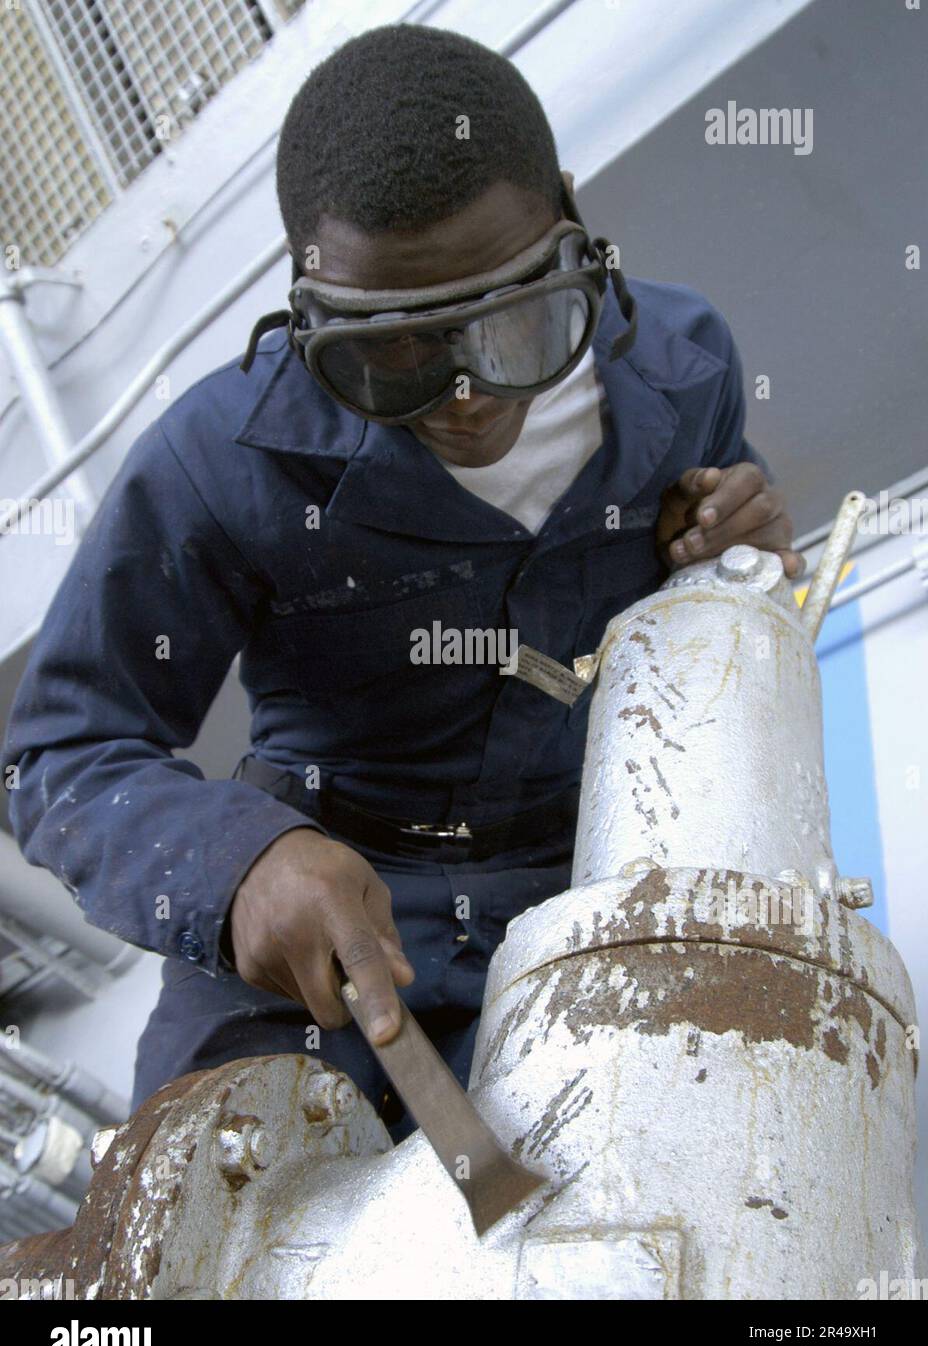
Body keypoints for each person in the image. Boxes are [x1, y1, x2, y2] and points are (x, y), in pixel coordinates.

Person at [2, 24, 801, 1141]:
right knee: (202, 1226)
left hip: (578, 879)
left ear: (570, 223)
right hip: (316, 913)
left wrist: (738, 534)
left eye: (510, 319)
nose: (466, 395)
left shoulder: (684, 365)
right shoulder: (216, 463)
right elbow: (57, 755)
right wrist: (239, 868)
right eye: (394, 349)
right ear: (310, 302)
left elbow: (723, 536)